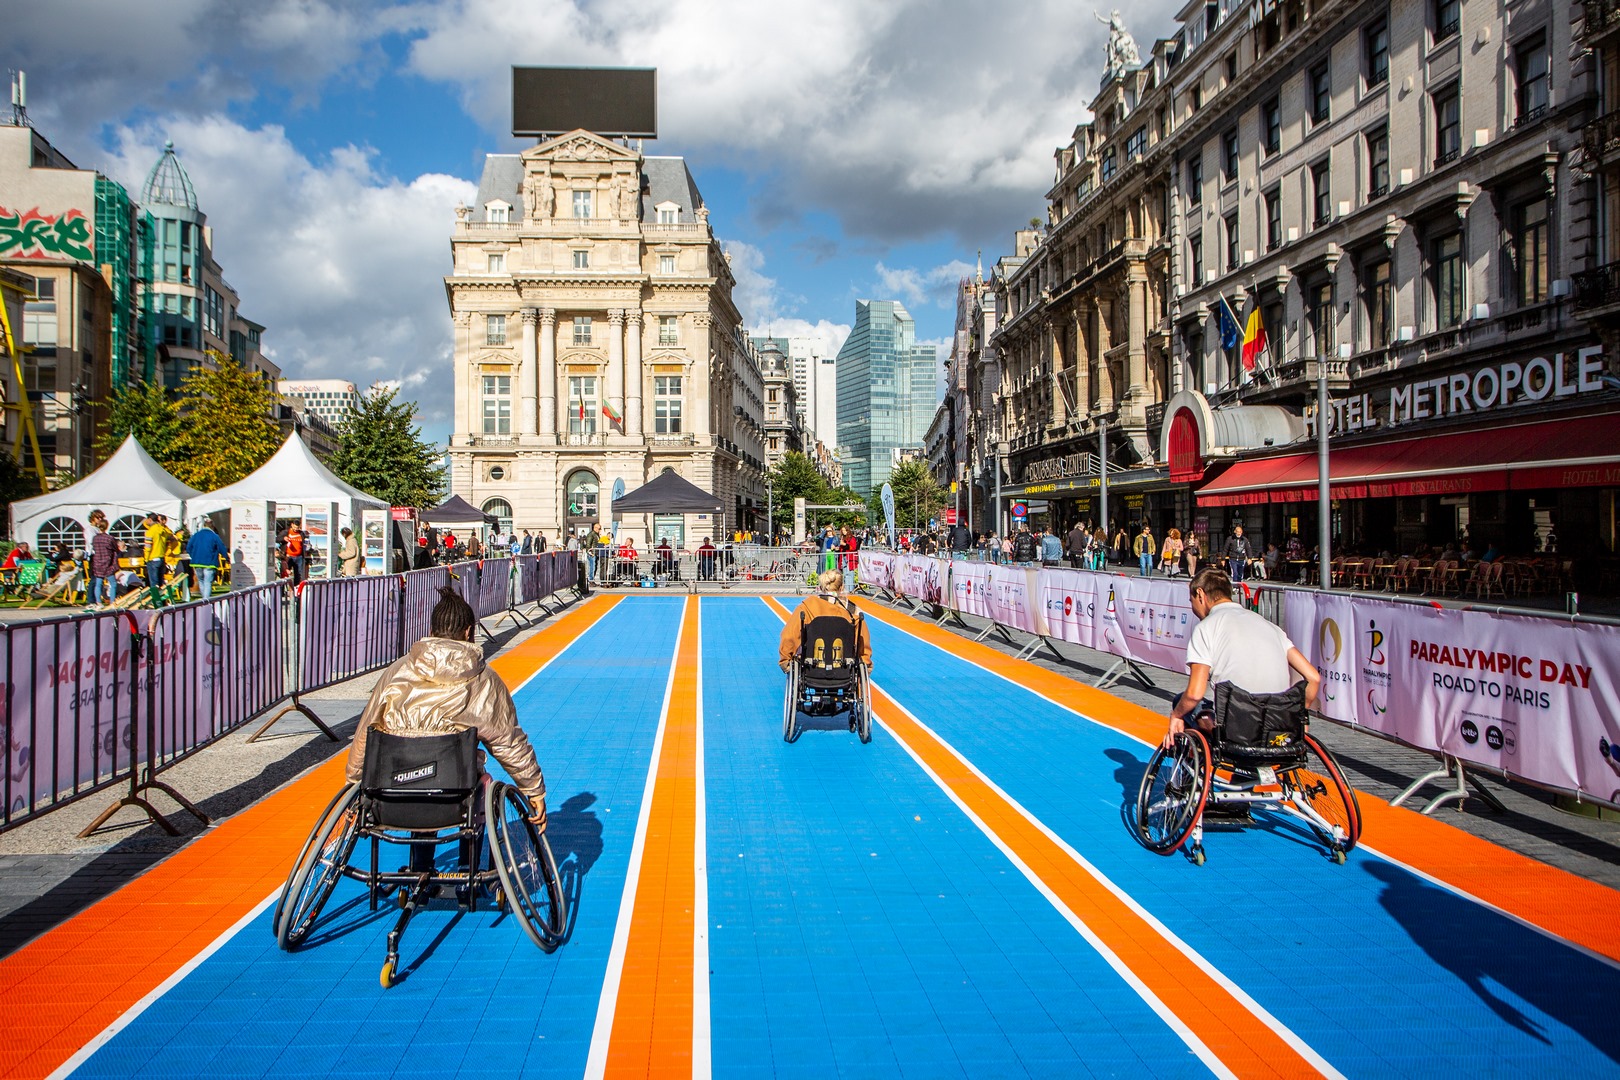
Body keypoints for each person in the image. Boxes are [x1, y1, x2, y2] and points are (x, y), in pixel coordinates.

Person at [346, 585, 549, 870]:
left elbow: (367, 730)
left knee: (420, 772)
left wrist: (353, 783)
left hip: (393, 788)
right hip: (455, 793)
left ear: (432, 629)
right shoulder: (483, 680)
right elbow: (508, 741)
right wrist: (534, 790)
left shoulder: (397, 671)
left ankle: (420, 867)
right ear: (468, 632)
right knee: (477, 784)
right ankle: (468, 868)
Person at [1166, 567, 1321, 748]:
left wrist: (1176, 715)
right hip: (1278, 724)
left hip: (1237, 727)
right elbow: (1313, 678)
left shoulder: (1206, 627)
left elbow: (1194, 694)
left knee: (1182, 702)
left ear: (1200, 594)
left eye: (1191, 601)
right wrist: (1297, 715)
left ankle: (1192, 764)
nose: (1193, 608)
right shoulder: (1269, 626)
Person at [778, 569, 872, 672]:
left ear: (822, 587)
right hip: (843, 668)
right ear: (842, 587)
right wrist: (866, 664)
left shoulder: (806, 607)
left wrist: (785, 660)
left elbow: (789, 636)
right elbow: (863, 642)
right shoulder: (854, 612)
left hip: (812, 666)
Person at [188, 520, 229, 598]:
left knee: (201, 581)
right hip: (210, 562)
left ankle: (204, 598)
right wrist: (226, 557)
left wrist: (193, 555)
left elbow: (189, 547)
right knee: (207, 582)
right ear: (212, 526)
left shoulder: (196, 535)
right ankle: (206, 600)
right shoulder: (214, 536)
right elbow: (221, 548)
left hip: (196, 562)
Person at [88, 511, 119, 607]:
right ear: (106, 526)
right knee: (113, 583)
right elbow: (115, 548)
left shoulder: (95, 538)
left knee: (98, 583)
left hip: (97, 562)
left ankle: (98, 602)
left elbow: (93, 548)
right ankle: (112, 602)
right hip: (107, 562)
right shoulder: (109, 538)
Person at [143, 513, 175, 588]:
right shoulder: (163, 530)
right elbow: (170, 539)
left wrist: (146, 559)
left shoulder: (150, 532)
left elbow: (148, 547)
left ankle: (156, 599)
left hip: (152, 558)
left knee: (154, 583)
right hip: (161, 558)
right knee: (161, 582)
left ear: (150, 520)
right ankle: (162, 599)